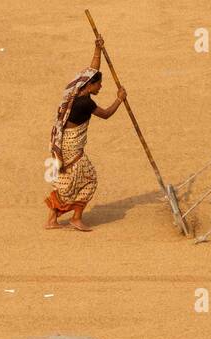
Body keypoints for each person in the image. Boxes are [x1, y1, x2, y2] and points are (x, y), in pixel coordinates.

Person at [45, 38, 128, 232]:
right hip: (73, 148)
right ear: (90, 86)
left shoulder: (76, 90)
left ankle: (54, 219)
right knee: (88, 179)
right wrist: (120, 100)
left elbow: (91, 70)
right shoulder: (86, 104)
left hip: (65, 143)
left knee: (69, 182)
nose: (100, 87)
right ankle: (75, 218)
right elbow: (106, 115)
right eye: (99, 85)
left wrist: (97, 50)